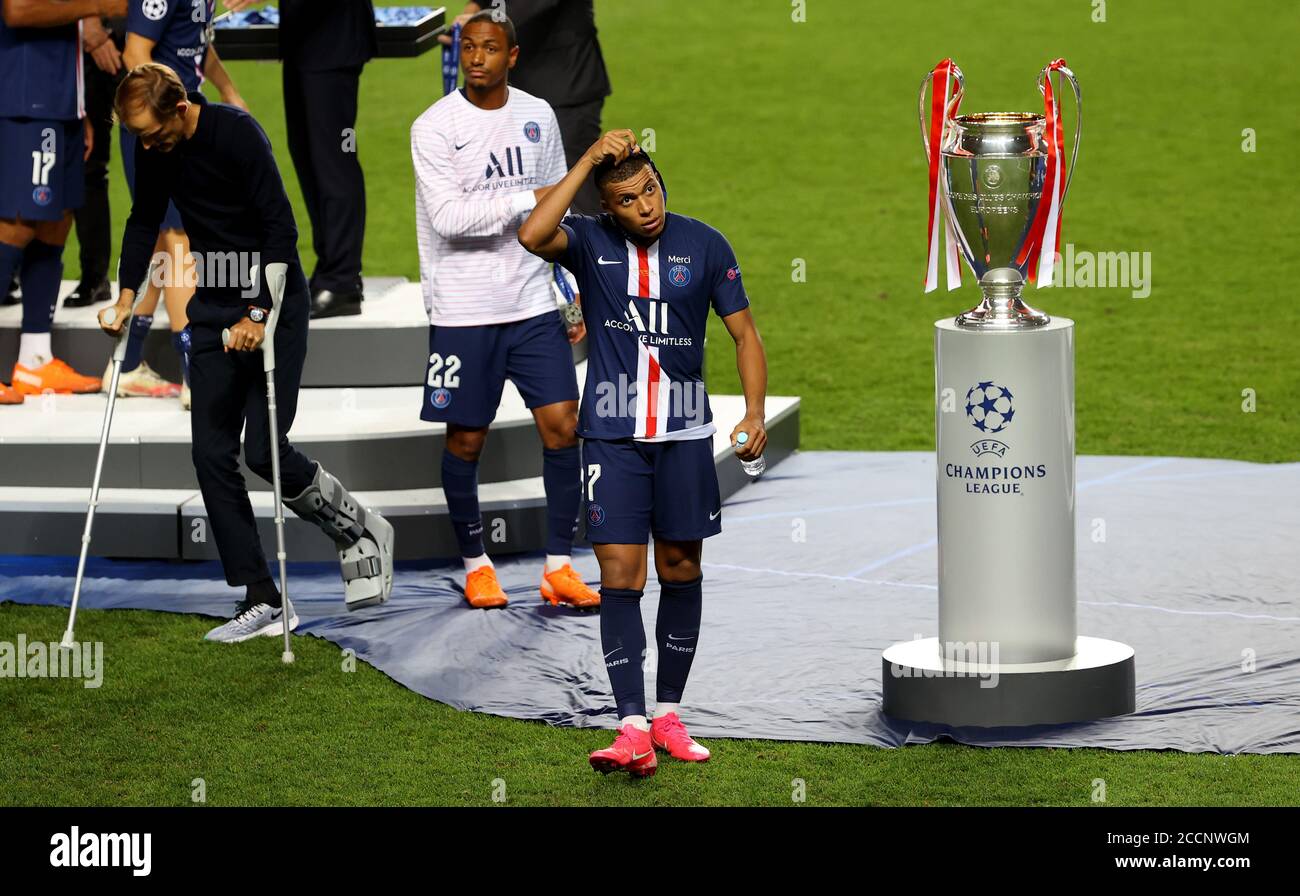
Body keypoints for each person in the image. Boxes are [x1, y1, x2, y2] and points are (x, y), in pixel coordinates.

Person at [99, 63, 394, 641]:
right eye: (137, 136)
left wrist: (257, 314)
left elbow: (280, 230)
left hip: (274, 299)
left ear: (180, 109)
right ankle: (262, 597)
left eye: (152, 132)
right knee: (210, 454)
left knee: (263, 451)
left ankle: (359, 529)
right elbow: (142, 223)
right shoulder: (156, 148)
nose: (146, 144)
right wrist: (126, 299)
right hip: (211, 304)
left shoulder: (236, 135)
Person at [519, 132, 769, 778]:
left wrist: (754, 411)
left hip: (685, 437)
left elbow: (744, 333)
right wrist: (585, 163)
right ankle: (630, 726)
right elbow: (531, 234)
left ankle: (668, 713)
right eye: (627, 200)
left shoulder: (706, 245)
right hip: (612, 438)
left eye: (650, 189)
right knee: (622, 576)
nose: (645, 206)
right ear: (609, 210)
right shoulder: (591, 244)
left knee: (681, 569)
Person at [411, 10, 598, 610]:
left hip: (530, 300)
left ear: (511, 56)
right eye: (469, 47)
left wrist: (569, 292)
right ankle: (476, 564)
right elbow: (449, 219)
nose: (476, 58)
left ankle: (559, 566)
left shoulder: (539, 116)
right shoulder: (435, 127)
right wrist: (527, 198)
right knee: (466, 439)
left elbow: (558, 214)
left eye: (489, 48)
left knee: (563, 426)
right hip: (464, 308)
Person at [111, 0, 247, 406]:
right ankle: (195, 374)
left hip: (178, 118)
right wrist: (165, 118)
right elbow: (135, 52)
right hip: (161, 126)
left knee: (161, 241)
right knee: (180, 240)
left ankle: (127, 364)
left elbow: (198, 45)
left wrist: (227, 90)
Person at [0, 0, 125, 405]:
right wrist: (100, 5)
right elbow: (17, 10)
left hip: (60, 100)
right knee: (16, 224)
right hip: (24, 97)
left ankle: (35, 360)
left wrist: (78, 107)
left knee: (56, 222)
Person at [442, 1, 610, 215]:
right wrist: (473, 11)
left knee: (573, 193)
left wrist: (481, 24)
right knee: (516, 186)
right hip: (511, 91)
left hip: (563, 86)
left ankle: (590, 248)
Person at [277, 0, 377, 320]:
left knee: (334, 162)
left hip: (333, 45)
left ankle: (342, 280)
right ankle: (330, 270)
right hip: (303, 44)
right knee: (307, 159)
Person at [63, 12, 125, 309]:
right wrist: (90, 22)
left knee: (164, 155)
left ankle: (175, 277)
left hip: (138, 30)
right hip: (89, 34)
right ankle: (95, 276)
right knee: (85, 160)